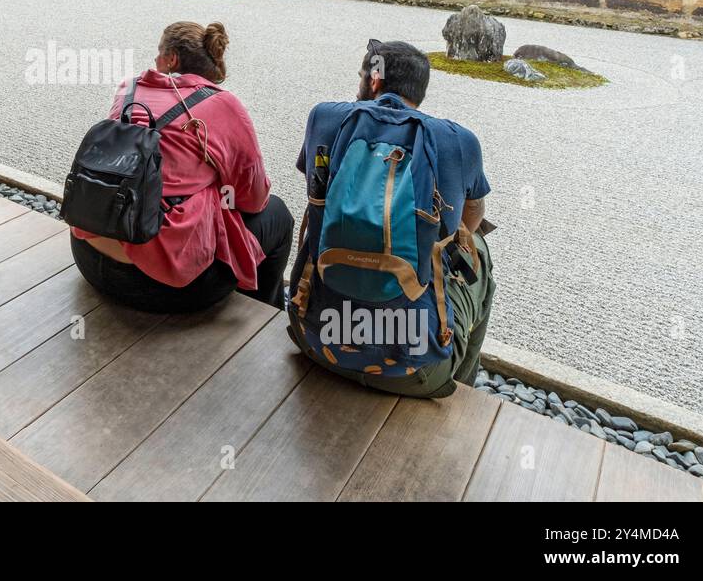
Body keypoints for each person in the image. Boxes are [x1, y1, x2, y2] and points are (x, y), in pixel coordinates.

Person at [287, 39, 494, 399]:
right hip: (413, 372)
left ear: (375, 81)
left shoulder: (324, 116)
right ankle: (459, 384)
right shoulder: (458, 141)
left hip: (315, 340)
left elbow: (312, 180)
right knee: (477, 250)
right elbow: (471, 217)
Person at [70, 21, 294, 314]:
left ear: (171, 59)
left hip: (87, 255)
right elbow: (252, 198)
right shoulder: (224, 105)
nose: (154, 59)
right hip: (162, 287)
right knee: (278, 214)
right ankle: (265, 314)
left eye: (158, 52)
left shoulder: (128, 89)